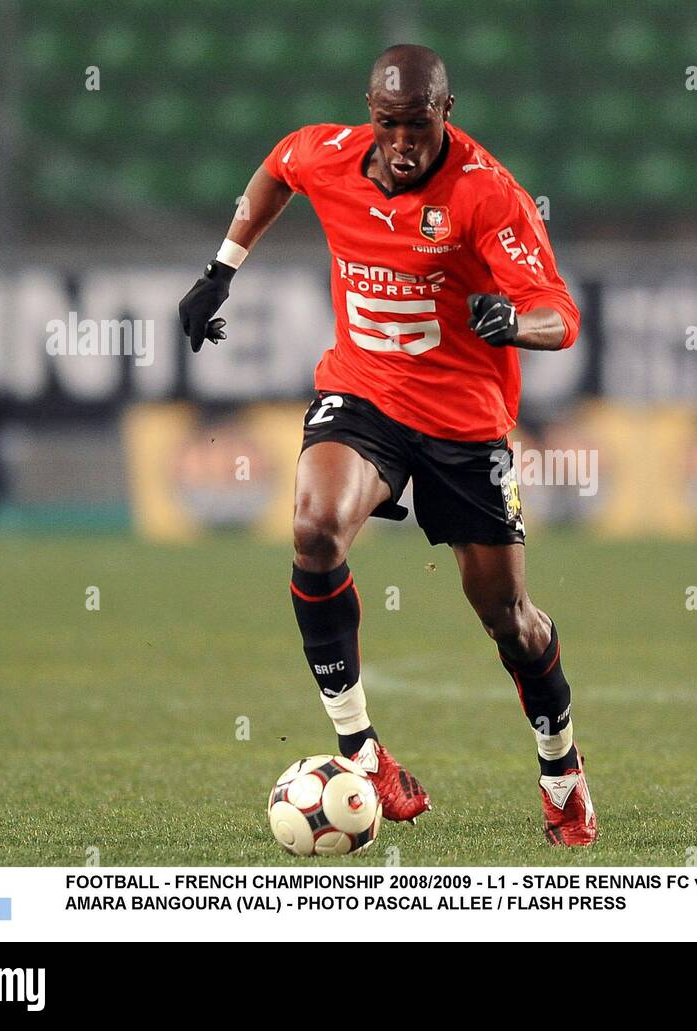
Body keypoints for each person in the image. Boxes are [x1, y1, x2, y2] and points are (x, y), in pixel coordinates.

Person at [178, 45, 596, 845]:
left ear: (448, 111)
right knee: (313, 529)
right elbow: (275, 168)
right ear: (371, 116)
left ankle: (561, 765)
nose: (403, 142)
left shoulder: (487, 194)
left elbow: (560, 312)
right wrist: (220, 270)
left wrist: (517, 323)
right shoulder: (329, 153)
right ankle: (361, 749)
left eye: (419, 124)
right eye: (389, 123)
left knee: (508, 617)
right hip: (363, 394)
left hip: (463, 421)